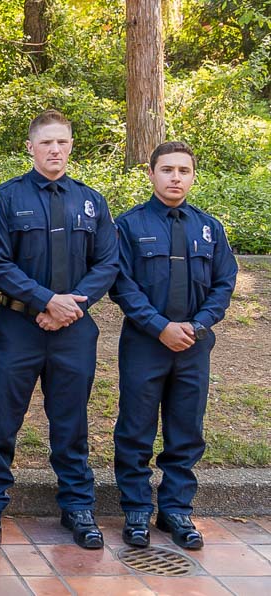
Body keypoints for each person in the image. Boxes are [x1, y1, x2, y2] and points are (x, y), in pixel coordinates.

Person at [0, 109, 119, 549]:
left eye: (63, 142)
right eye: (47, 142)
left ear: (71, 146)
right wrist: (45, 300)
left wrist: (69, 306)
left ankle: (77, 506)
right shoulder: (7, 197)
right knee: (2, 418)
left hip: (74, 329)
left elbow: (107, 262)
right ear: (30, 147)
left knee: (71, 421)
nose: (55, 150)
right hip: (19, 326)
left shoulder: (91, 200)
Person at [110, 141, 237, 550]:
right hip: (146, 344)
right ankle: (135, 511)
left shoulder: (209, 227)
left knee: (186, 432)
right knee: (135, 430)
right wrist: (160, 326)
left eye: (183, 170)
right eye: (167, 170)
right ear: (151, 174)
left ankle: (176, 511)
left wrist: (197, 326)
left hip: (194, 347)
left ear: (193, 176)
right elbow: (122, 285)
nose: (175, 178)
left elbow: (224, 284)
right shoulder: (129, 226)